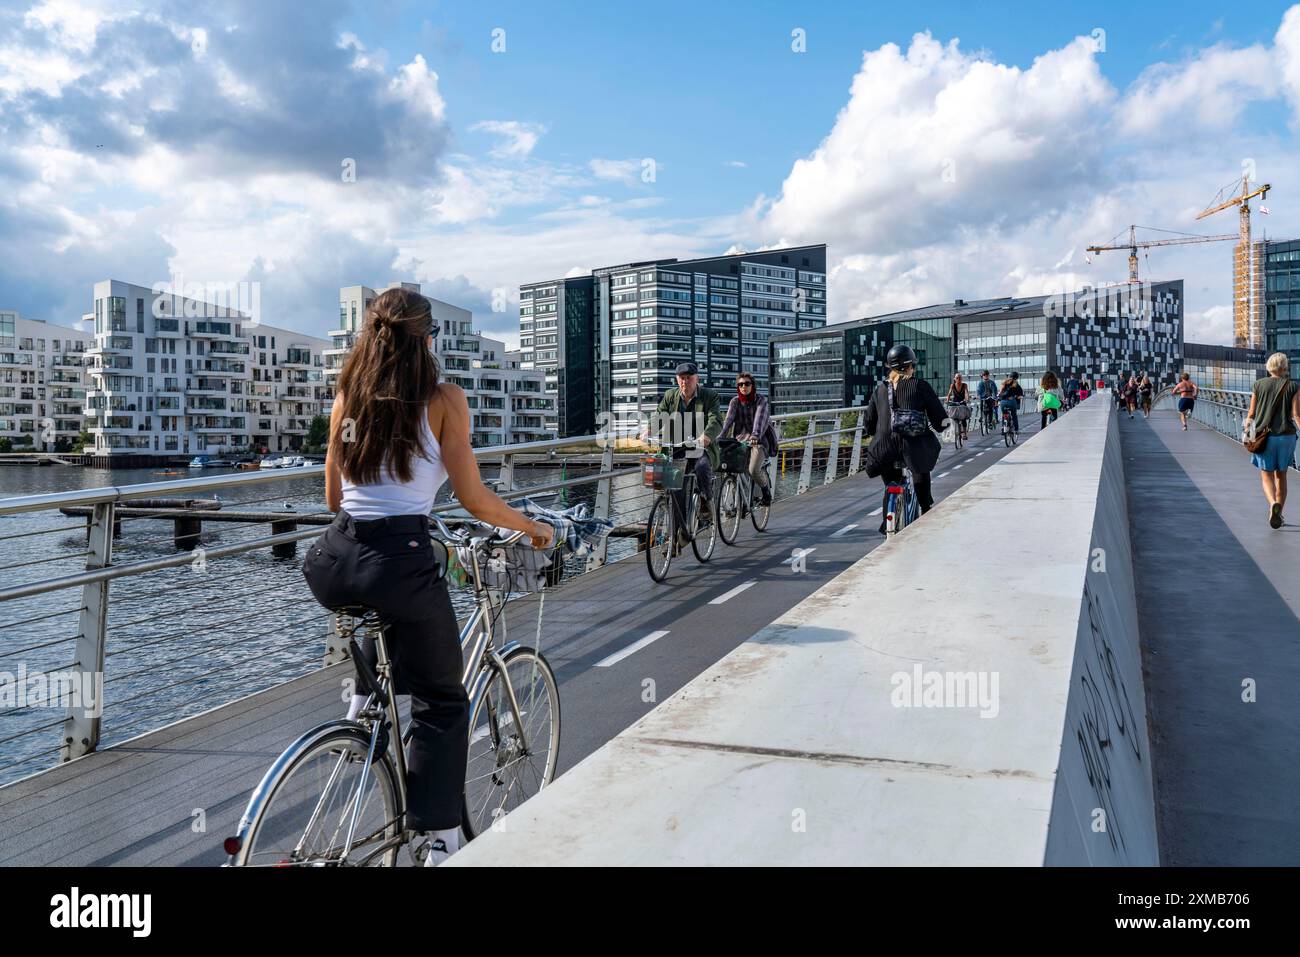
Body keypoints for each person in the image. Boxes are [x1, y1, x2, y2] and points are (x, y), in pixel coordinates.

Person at [302, 287, 556, 866]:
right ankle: (438, 839)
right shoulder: (444, 400)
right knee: (442, 702)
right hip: (400, 557)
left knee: (391, 657)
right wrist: (533, 529)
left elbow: (333, 495)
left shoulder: (349, 396)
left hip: (335, 556)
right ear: (428, 340)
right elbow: (474, 499)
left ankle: (365, 718)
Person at [863, 344, 948, 533]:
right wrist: (943, 425)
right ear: (910, 366)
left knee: (890, 483)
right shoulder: (920, 386)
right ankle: (926, 511)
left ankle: (889, 523)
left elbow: (868, 423)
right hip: (913, 447)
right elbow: (940, 419)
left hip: (884, 449)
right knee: (920, 471)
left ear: (891, 368)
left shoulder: (880, 390)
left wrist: (873, 431)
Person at [644, 361, 723, 546]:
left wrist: (706, 436)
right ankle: (680, 535)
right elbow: (659, 414)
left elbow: (716, 419)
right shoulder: (670, 396)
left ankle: (706, 501)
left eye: (689, 378)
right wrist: (649, 429)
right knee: (675, 488)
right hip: (677, 447)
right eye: (682, 378)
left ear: (697, 379)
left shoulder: (709, 396)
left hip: (700, 447)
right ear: (677, 380)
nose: (685, 382)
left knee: (702, 467)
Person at [1245, 352, 1300, 529]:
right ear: (1284, 366)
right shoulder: (1293, 386)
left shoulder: (1258, 385)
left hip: (1265, 436)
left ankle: (1272, 505)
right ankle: (1279, 513)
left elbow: (1251, 414)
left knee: (1266, 474)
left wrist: (1247, 431)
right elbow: (1296, 415)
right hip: (1286, 436)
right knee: (1281, 475)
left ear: (1269, 366)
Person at [720, 371, 777, 506]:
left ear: (753, 385)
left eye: (747, 383)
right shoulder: (735, 402)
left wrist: (755, 435)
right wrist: (720, 436)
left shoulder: (760, 400)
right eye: (740, 385)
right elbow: (728, 421)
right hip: (740, 442)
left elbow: (760, 420)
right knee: (731, 469)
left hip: (759, 442)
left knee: (753, 469)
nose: (743, 387)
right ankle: (741, 504)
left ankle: (765, 491)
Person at [945, 372, 970, 441]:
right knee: (953, 415)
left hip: (962, 402)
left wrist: (967, 399)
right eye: (957, 378)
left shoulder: (964, 385)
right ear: (954, 379)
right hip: (955, 402)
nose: (958, 379)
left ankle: (964, 433)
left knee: (964, 417)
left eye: (960, 378)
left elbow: (966, 393)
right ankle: (955, 428)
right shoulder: (952, 385)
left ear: (961, 379)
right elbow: (949, 393)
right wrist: (947, 400)